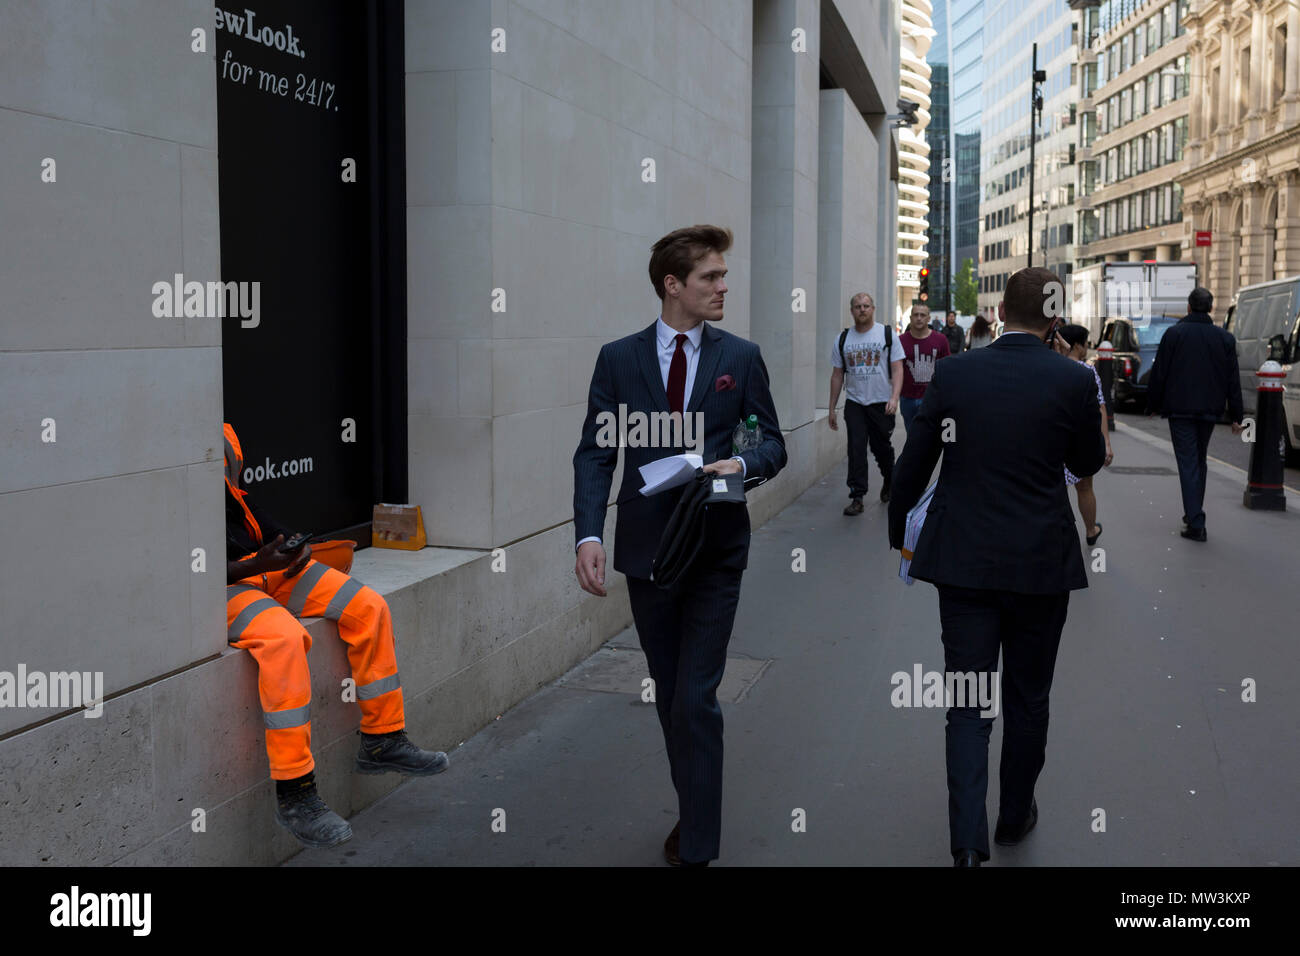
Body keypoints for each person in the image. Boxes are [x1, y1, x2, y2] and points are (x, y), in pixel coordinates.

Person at [572, 224, 787, 867]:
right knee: (670, 692)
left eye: (723, 275)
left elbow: (771, 443)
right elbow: (596, 452)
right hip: (647, 553)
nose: (724, 286)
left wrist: (741, 466)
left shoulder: (741, 358)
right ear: (673, 286)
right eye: (710, 277)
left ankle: (698, 842)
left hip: (717, 548)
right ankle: (693, 807)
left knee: (696, 694)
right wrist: (588, 532)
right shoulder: (618, 358)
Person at [887, 268, 1106, 867]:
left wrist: (897, 524)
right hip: (1041, 563)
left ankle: (966, 844)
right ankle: (1013, 817)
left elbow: (915, 460)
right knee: (1029, 698)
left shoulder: (957, 371)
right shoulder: (1074, 379)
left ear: (1001, 310)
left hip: (964, 561)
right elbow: (1088, 460)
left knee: (967, 701)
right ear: (1055, 319)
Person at [223, 424, 448, 849]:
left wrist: (296, 547)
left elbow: (264, 526)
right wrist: (257, 566)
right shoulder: (174, 488)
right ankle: (295, 793)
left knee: (369, 607)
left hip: (264, 571)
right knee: (285, 641)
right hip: (224, 588)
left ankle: (383, 740)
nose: (235, 462)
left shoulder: (229, 484)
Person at [1145, 287, 1246, 541]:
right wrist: (1237, 415)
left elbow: (1160, 373)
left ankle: (1196, 522)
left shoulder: (1174, 334)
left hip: (1180, 410)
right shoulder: (1224, 338)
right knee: (1199, 461)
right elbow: (1233, 380)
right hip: (1210, 409)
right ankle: (1193, 514)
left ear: (1189, 307)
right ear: (1210, 308)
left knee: (1189, 462)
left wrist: (1152, 404)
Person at [827, 292, 905, 514]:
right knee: (856, 448)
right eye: (858, 306)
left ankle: (890, 479)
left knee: (881, 448)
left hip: (881, 402)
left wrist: (894, 397)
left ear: (873, 309)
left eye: (866, 306)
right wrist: (831, 407)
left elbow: (898, 369)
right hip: (855, 402)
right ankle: (857, 496)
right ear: (851, 311)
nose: (862, 309)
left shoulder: (887, 335)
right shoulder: (843, 339)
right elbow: (837, 375)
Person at [1052, 324, 1114, 545]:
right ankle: (1090, 530)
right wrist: (1106, 442)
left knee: (1052, 488)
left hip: (1053, 437)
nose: (1088, 347)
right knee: (1085, 488)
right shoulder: (1086, 372)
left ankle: (1055, 535)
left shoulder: (1051, 367)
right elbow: (1100, 409)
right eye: (1086, 343)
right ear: (1077, 345)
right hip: (1080, 440)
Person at [899, 301, 951, 432]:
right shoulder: (900, 341)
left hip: (932, 398)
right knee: (911, 437)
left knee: (930, 438)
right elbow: (896, 370)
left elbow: (947, 369)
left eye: (922, 315)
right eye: (915, 315)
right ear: (910, 318)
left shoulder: (941, 340)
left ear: (928, 318)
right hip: (907, 398)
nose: (919, 318)